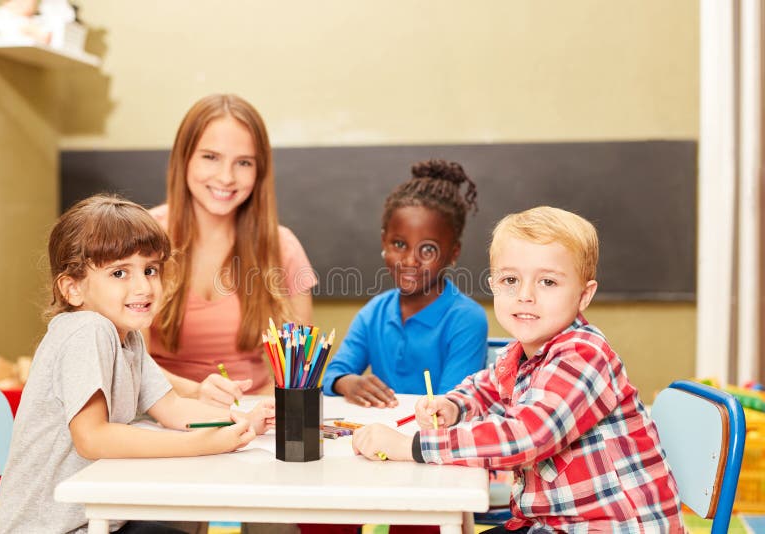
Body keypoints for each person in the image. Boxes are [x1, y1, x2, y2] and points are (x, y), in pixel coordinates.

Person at [351, 206, 685, 533]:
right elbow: (486, 388)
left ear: (583, 296)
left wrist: (411, 447)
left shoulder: (584, 356)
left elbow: (527, 436)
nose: (525, 295)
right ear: (494, 284)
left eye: (548, 282)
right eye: (510, 279)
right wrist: (453, 406)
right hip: (552, 522)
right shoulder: (522, 353)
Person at [0, 195, 275, 534]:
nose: (143, 287)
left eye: (150, 270)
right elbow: (92, 438)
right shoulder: (87, 329)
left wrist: (240, 422)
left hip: (97, 517)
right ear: (72, 288)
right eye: (119, 273)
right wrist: (202, 445)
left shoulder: (127, 337)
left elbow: (171, 407)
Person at [146, 94, 317, 407]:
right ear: (184, 158)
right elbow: (130, 365)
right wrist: (196, 393)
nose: (226, 177)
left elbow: (297, 372)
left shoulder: (283, 248)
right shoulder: (142, 239)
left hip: (253, 419)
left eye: (244, 163)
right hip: (161, 415)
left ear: (259, 171)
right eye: (210, 157)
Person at [321, 159, 488, 408]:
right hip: (377, 438)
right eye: (399, 245)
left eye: (428, 249)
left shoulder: (466, 319)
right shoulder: (375, 312)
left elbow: (451, 407)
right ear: (383, 242)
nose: (410, 261)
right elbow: (331, 376)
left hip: (428, 442)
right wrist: (347, 382)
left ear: (454, 253)